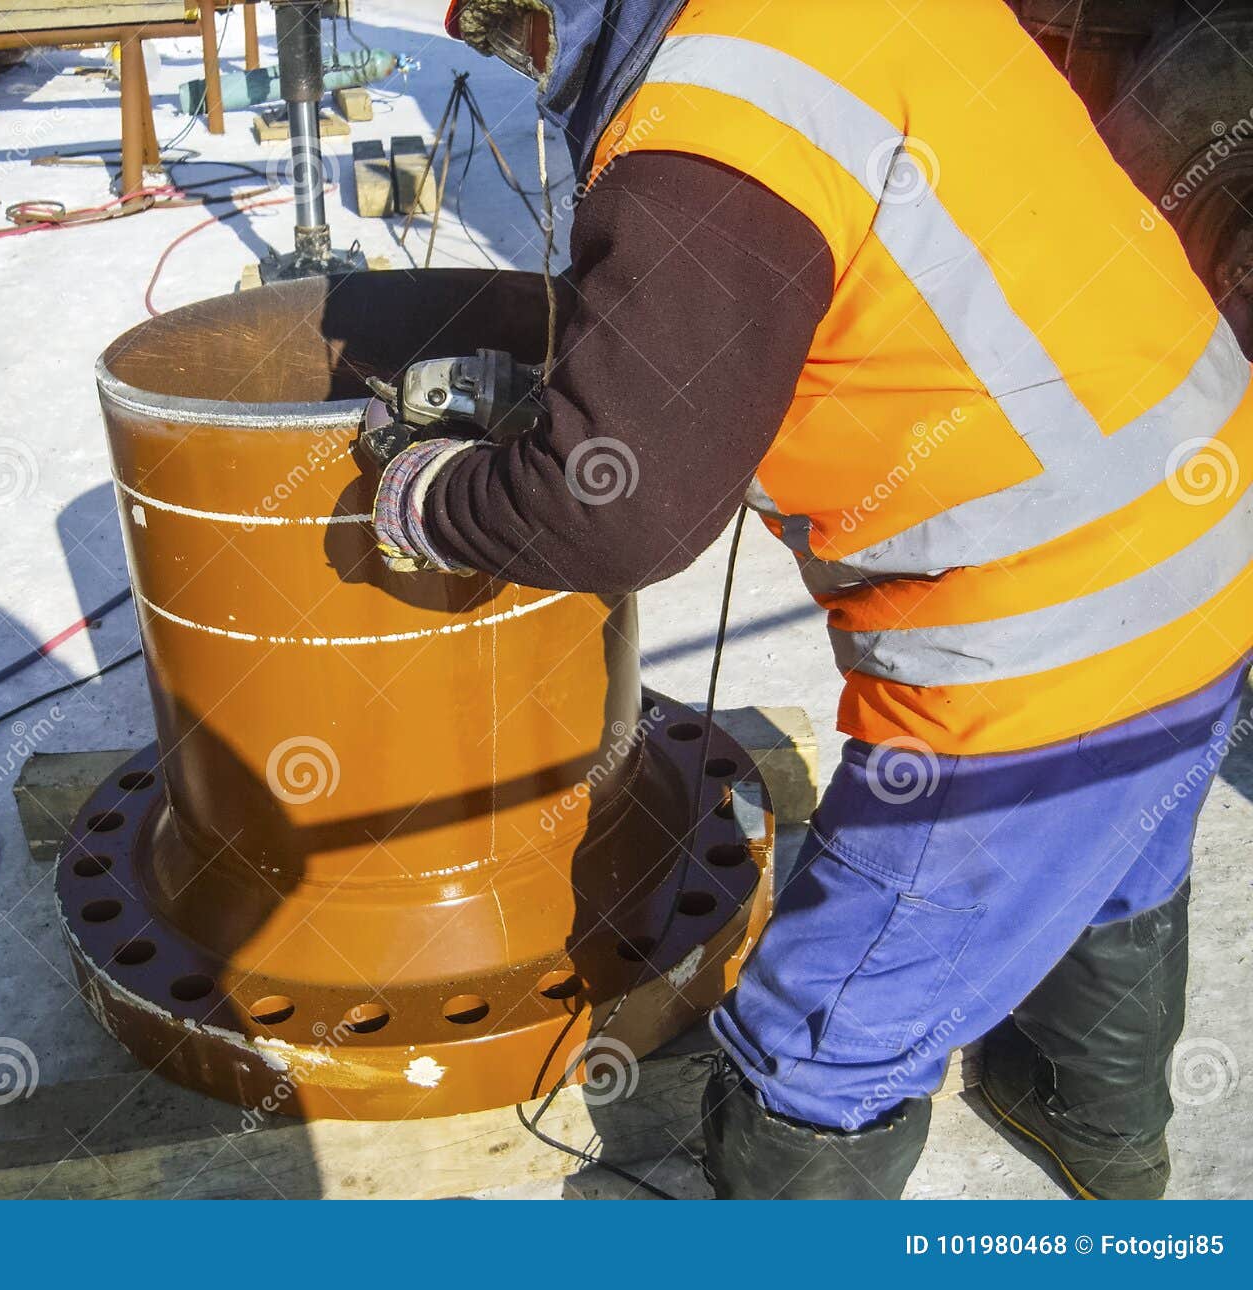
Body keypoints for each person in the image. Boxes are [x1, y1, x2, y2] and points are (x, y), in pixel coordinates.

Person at [367, 0, 1253, 1199]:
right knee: (1103, 855)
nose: (515, 57)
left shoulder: (711, 126)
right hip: (1205, 538)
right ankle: (1084, 1126)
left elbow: (620, 510)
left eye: (507, 27)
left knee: (820, 1031)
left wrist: (430, 499)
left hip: (1049, 645)